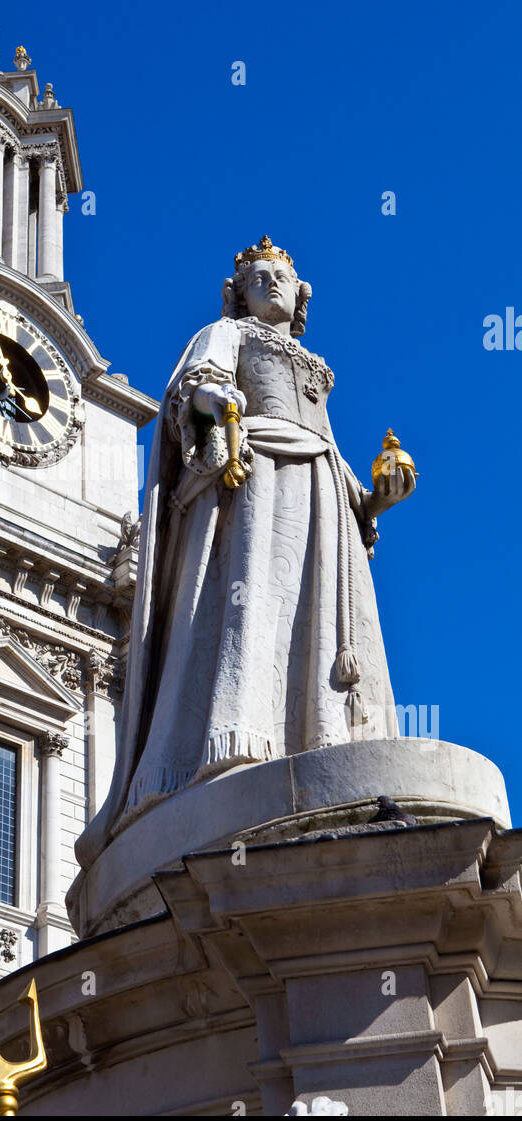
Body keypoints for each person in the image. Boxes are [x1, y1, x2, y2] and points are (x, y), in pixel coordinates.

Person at [77, 236, 416, 867]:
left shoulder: (311, 362)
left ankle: (320, 739)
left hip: (319, 488)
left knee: (314, 624)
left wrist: (374, 502)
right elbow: (190, 389)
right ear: (237, 293)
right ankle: (239, 742)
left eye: (281, 278)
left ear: (300, 296)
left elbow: (328, 446)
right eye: (258, 278)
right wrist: (213, 402)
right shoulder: (225, 335)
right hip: (255, 475)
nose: (272, 285)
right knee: (252, 607)